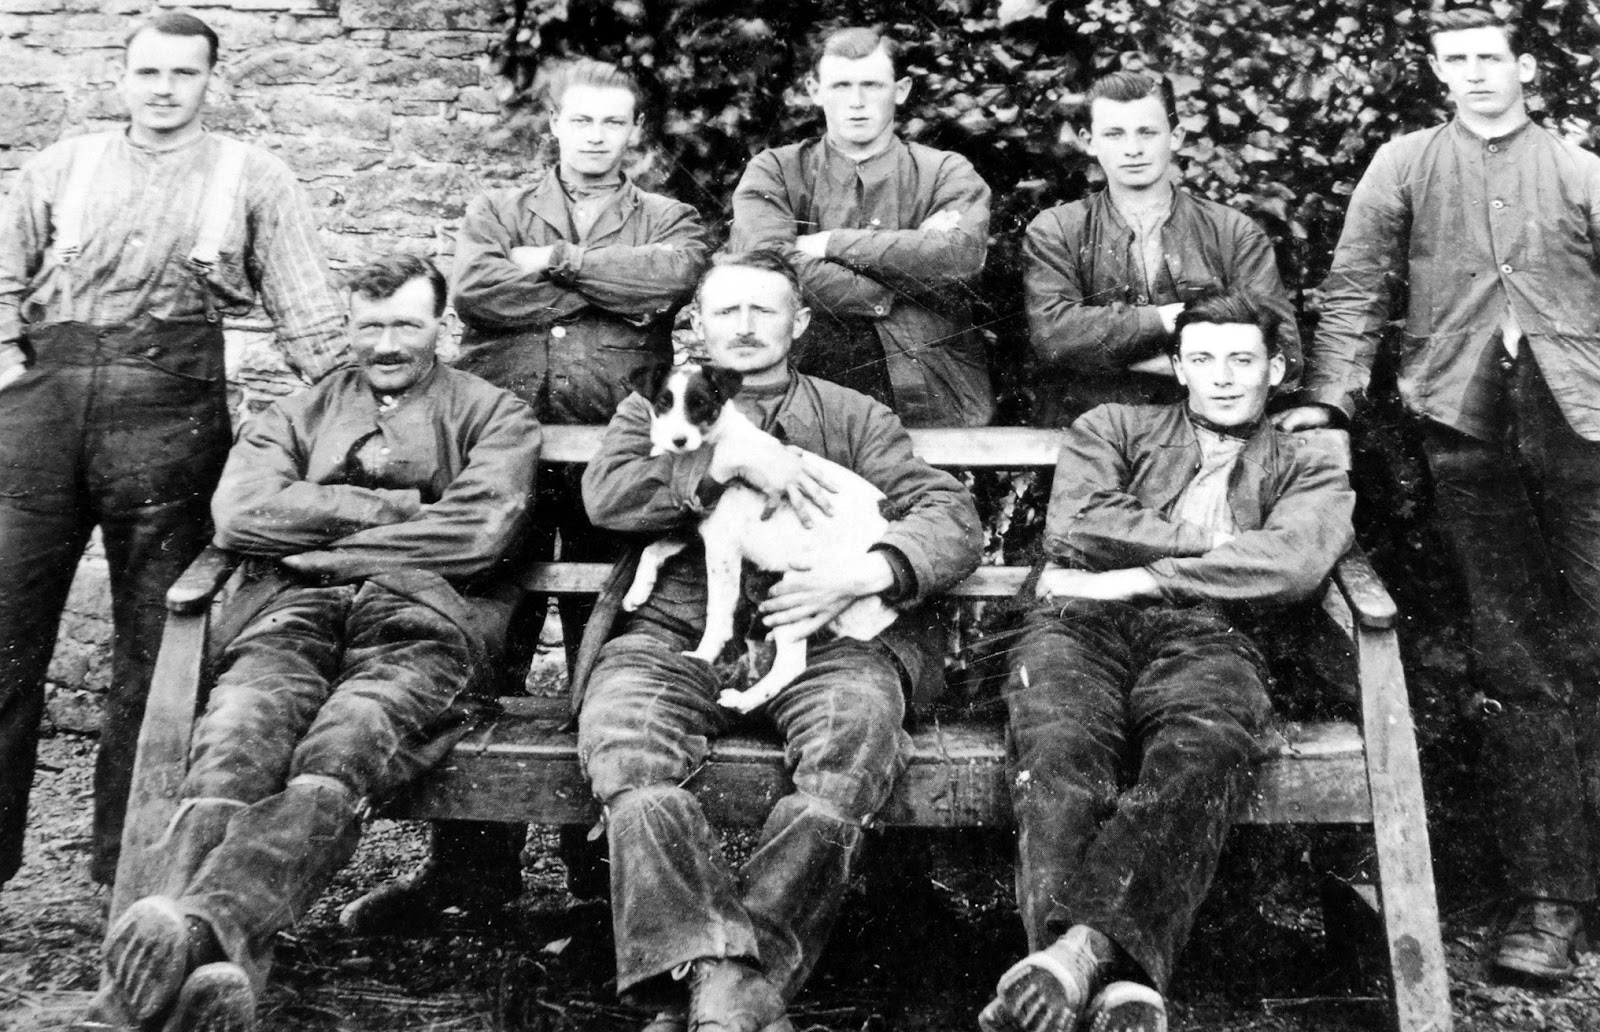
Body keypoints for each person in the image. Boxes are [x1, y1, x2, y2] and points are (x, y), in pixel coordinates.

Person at [97, 253, 540, 1032]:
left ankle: (168, 956)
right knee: (236, 735)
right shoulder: (297, 412)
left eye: (407, 323)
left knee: (344, 744)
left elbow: (480, 532)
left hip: (424, 619)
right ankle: (215, 973)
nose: (388, 342)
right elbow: (240, 515)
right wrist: (396, 512)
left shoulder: (494, 412)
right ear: (347, 328)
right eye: (370, 326)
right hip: (290, 611)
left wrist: (320, 531)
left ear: (443, 325)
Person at [341, 58, 711, 930]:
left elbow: (666, 279)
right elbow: (477, 290)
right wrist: (600, 280)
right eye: (580, 121)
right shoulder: (492, 213)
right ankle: (469, 871)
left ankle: (596, 881)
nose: (595, 137)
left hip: (614, 457)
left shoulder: (669, 218)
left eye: (613, 124)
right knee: (482, 633)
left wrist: (555, 264)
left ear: (636, 134)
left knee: (606, 643)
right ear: (555, 125)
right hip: (502, 445)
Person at [576, 249, 982, 1032]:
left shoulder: (853, 415)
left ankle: (719, 984)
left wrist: (870, 572)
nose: (745, 326)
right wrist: (725, 460)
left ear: (798, 323)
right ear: (697, 322)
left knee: (854, 742)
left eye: (764, 310)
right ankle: (729, 980)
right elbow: (610, 497)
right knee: (626, 742)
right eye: (726, 310)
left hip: (823, 628)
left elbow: (947, 512)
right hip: (680, 627)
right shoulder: (655, 406)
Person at [1277, 6, 1600, 981]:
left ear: (1523, 67)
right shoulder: (1405, 163)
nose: (1473, 74)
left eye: (1488, 58)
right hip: (1464, 434)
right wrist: (1328, 403)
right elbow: (1355, 286)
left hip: (1585, 431)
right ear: (1437, 71)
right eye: (1454, 60)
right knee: (1515, 659)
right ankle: (1548, 902)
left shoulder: (1580, 167)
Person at [0, 11, 348, 892]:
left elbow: (307, 311)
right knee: (4, 636)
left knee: (158, 650)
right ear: (122, 78)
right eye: (148, 73)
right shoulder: (61, 166)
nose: (164, 90)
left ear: (210, 81)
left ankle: (135, 871)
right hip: (39, 415)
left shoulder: (250, 175)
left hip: (171, 420)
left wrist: (359, 411)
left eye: (183, 75)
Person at [980, 291, 1353, 1032]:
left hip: (1211, 633)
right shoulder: (1114, 426)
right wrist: (1218, 549)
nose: (1222, 377)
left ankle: (1072, 959)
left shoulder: (1307, 462)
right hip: (1078, 622)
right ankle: (1124, 985)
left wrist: (1145, 574)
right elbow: (1084, 521)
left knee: (1204, 743)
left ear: (1275, 370)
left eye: (1242, 359)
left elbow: (1299, 559)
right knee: (1060, 743)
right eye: (1204, 359)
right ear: (1178, 367)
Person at [729, 25, 993, 428]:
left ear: (901, 90)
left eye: (872, 84)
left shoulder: (944, 172)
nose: (856, 102)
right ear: (814, 90)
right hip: (800, 384)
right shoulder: (776, 171)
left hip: (927, 390)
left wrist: (831, 242)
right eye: (840, 86)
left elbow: (957, 257)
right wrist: (888, 283)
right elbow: (764, 267)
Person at [1023, 71, 1301, 428]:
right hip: (1089, 434)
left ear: (1177, 137)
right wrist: (1170, 319)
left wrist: (1118, 360)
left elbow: (1284, 352)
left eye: (1148, 132)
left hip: (1208, 433)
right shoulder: (1057, 230)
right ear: (1089, 141)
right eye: (1114, 134)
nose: (1133, 149)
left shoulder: (1232, 232)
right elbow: (1054, 338)